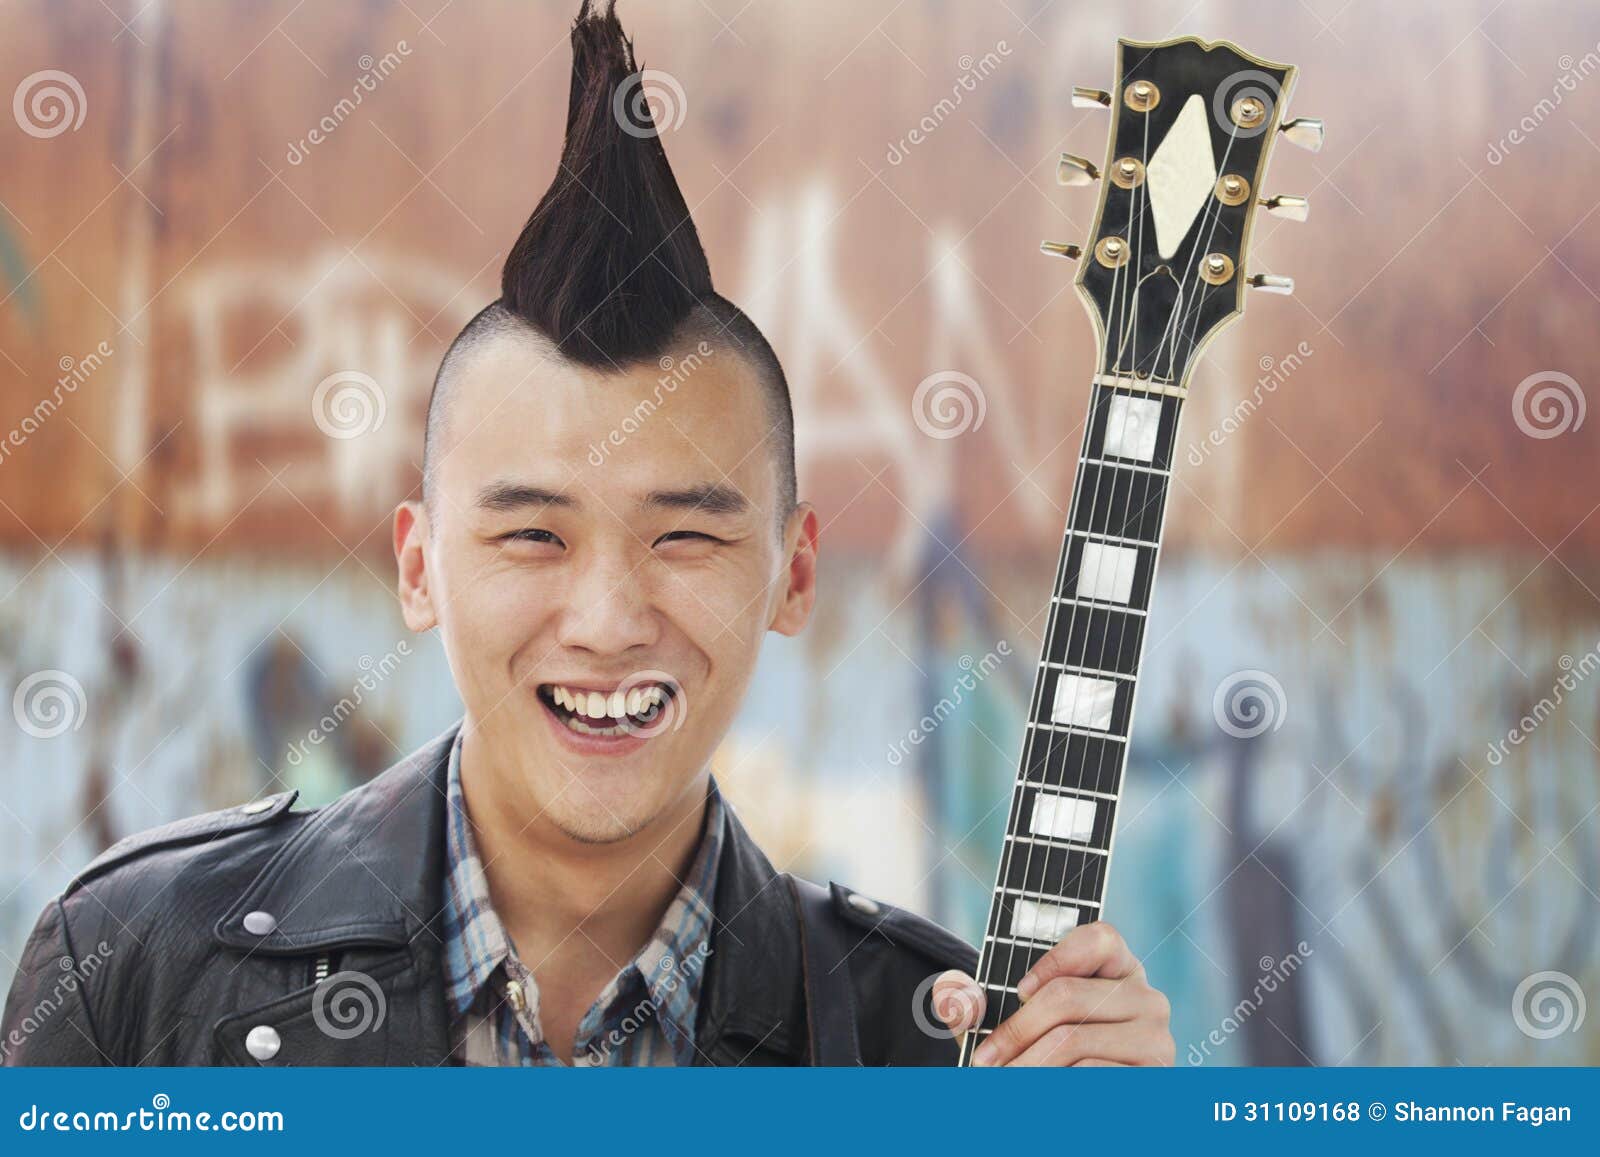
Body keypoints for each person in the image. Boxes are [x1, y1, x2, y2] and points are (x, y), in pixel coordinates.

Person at [1, 0, 1171, 1067]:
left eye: (684, 538)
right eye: (533, 535)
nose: (608, 622)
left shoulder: (931, 1045)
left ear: (794, 571)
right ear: (418, 565)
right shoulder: (132, 969)